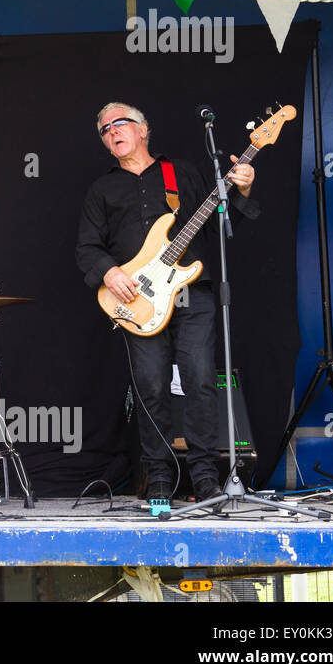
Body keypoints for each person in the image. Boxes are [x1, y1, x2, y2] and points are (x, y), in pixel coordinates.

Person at [75, 102, 257, 506]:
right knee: (151, 385)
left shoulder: (182, 173)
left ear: (143, 129)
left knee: (200, 380)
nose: (112, 131)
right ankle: (158, 476)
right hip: (137, 299)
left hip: (193, 291)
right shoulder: (101, 190)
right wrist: (110, 273)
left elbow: (217, 223)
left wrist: (241, 188)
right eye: (104, 129)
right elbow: (87, 247)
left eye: (119, 123)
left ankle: (206, 476)